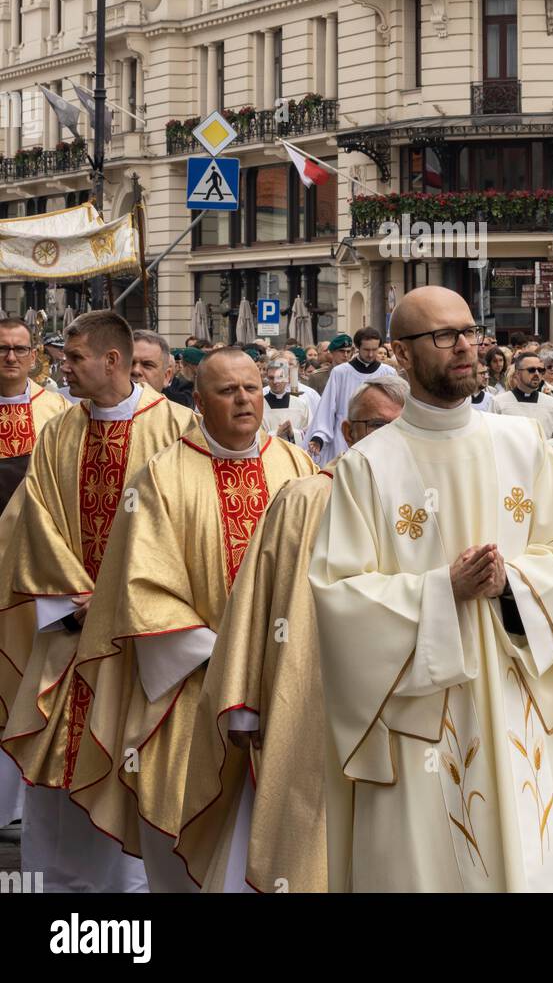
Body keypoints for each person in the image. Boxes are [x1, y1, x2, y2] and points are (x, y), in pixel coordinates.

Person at [310, 286, 553, 894]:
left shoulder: (520, 445)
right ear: (402, 357)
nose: (464, 345)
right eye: (443, 335)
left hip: (515, 694)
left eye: (468, 330)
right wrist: (443, 588)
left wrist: (512, 580)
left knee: (527, 853)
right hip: (419, 710)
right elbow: (339, 596)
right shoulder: (366, 467)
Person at [69, 348, 318, 893]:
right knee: (190, 842)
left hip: (283, 684)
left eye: (252, 388)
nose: (245, 400)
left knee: (282, 837)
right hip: (192, 689)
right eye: (228, 391)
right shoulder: (160, 476)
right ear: (199, 402)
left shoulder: (297, 466)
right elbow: (142, 587)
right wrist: (229, 654)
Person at [174, 377, 409, 893]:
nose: (391, 439)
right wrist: (244, 703)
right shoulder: (305, 499)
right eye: (377, 427)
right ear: (347, 430)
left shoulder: (427, 506)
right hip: (310, 699)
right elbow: (256, 604)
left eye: (401, 427)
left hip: (405, 703)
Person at [0, 310, 189, 892]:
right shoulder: (59, 428)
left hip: (140, 637)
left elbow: (185, 531)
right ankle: (62, 893)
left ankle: (130, 893)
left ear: (113, 360)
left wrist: (114, 605)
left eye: (74, 358)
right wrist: (74, 598)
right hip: (67, 632)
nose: (64, 368)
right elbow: (34, 514)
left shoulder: (179, 429)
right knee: (58, 773)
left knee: (132, 763)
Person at [0, 318, 68, 829]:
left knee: (28, 668)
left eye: (19, 349)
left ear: (35, 355)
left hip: (33, 566)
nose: (10, 357)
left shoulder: (57, 411)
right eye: (2, 348)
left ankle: (25, 794)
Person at [306, 328, 396, 465]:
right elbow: (327, 408)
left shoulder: (388, 373)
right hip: (343, 438)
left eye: (375, 349)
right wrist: (319, 437)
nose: (371, 354)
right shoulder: (340, 372)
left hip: (379, 437)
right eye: (366, 350)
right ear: (357, 348)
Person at [491, 351, 553, 444]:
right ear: (517, 373)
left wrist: (540, 446)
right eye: (531, 370)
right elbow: (492, 437)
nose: (537, 373)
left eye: (540, 370)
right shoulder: (498, 402)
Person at [130, 329, 176, 398]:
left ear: (166, 376)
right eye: (130, 363)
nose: (136, 370)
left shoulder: (175, 409)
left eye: (147, 365)